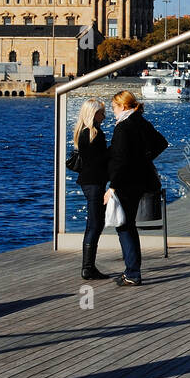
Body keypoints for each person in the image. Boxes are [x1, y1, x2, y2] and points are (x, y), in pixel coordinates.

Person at [105, 90, 169, 286]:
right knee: (128, 224)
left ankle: (132, 272)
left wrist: (112, 187)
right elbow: (161, 143)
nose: (112, 111)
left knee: (124, 225)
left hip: (126, 182)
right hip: (143, 180)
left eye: (114, 107)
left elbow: (120, 160)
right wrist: (144, 160)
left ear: (123, 106)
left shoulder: (123, 127)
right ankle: (131, 270)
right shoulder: (141, 121)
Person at [73, 98, 111, 280]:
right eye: (102, 113)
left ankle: (88, 266)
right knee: (95, 225)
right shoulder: (94, 133)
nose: (104, 116)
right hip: (95, 182)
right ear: (94, 113)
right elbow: (100, 159)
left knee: (93, 224)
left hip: (88, 182)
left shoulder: (82, 132)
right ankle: (88, 268)